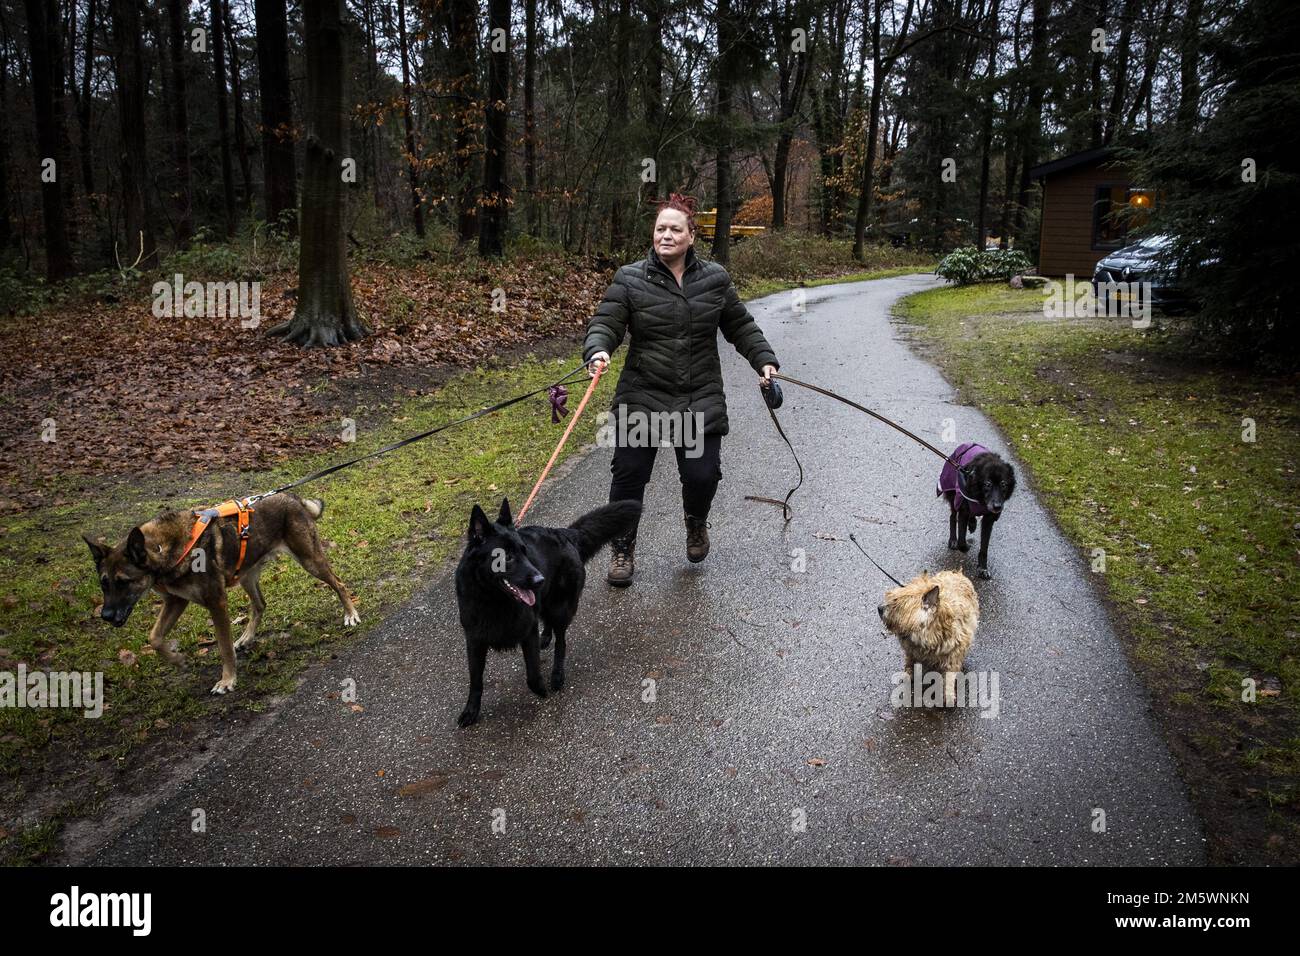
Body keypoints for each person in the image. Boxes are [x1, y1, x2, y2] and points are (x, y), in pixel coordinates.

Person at [583, 193, 780, 586]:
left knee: (703, 475)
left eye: (675, 229)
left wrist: (765, 361)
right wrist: (599, 349)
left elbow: (739, 325)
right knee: (628, 476)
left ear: (692, 236)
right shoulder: (630, 278)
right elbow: (607, 321)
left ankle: (696, 523)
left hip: (697, 398)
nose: (666, 235)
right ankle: (622, 548)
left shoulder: (714, 279)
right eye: (660, 229)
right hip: (644, 395)